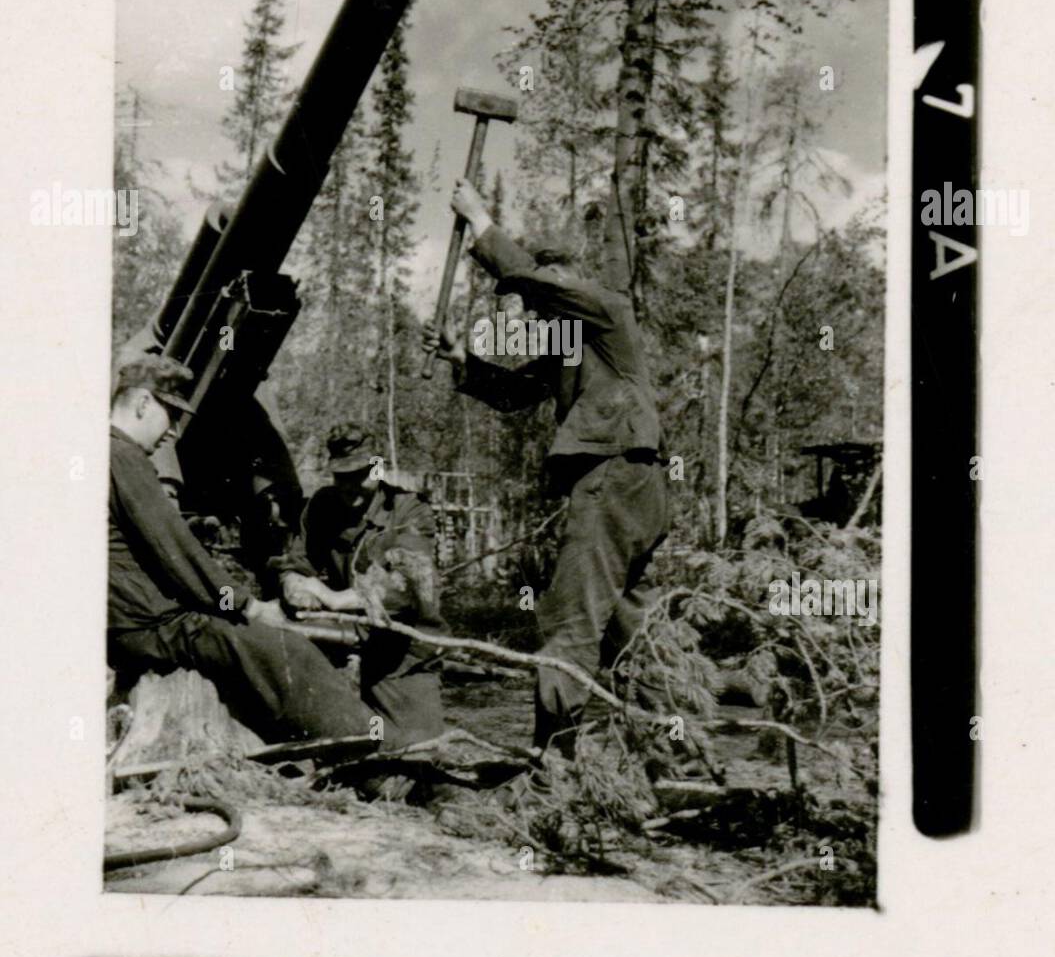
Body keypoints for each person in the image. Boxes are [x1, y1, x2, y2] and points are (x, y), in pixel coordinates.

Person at [423, 179, 670, 755]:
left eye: (547, 298)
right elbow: (514, 394)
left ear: (569, 289)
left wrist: (480, 222)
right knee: (633, 627)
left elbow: (532, 281)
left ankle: (553, 767)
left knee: (569, 625)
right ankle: (671, 756)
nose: (537, 309)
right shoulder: (570, 346)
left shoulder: (608, 310)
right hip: (636, 487)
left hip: (612, 480)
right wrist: (463, 358)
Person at [108, 355, 378, 746]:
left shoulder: (104, 453)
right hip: (150, 623)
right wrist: (246, 606)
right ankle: (365, 750)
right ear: (144, 403)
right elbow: (176, 552)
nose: (172, 433)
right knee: (281, 648)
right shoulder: (126, 457)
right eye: (171, 414)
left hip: (130, 616)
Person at [272, 423, 448, 747]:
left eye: (361, 475)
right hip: (340, 638)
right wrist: (294, 584)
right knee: (323, 745)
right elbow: (298, 560)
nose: (350, 486)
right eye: (342, 477)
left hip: (402, 649)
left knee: (420, 756)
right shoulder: (322, 505)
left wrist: (336, 599)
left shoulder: (409, 508)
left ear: (379, 467)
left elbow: (406, 581)